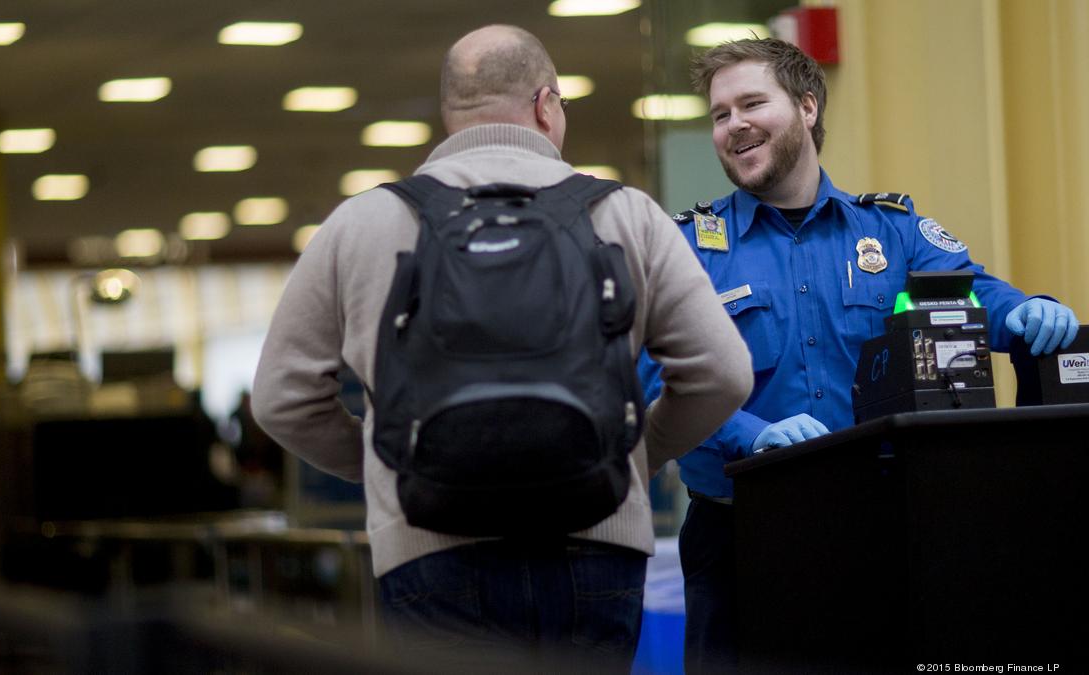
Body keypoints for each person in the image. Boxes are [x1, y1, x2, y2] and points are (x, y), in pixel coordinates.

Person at [251, 24, 752, 671]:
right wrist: (632, 456)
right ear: (547, 105)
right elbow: (723, 372)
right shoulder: (626, 213)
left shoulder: (362, 223)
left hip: (430, 549)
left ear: (450, 113)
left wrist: (397, 462)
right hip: (596, 542)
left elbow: (279, 398)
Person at [638, 38, 1080, 675]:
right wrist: (752, 436)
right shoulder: (690, 246)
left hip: (881, 526)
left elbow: (967, 292)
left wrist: (1026, 311)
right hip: (740, 535)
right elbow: (657, 372)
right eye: (719, 114)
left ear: (808, 107)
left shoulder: (889, 231)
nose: (733, 125)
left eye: (751, 104)